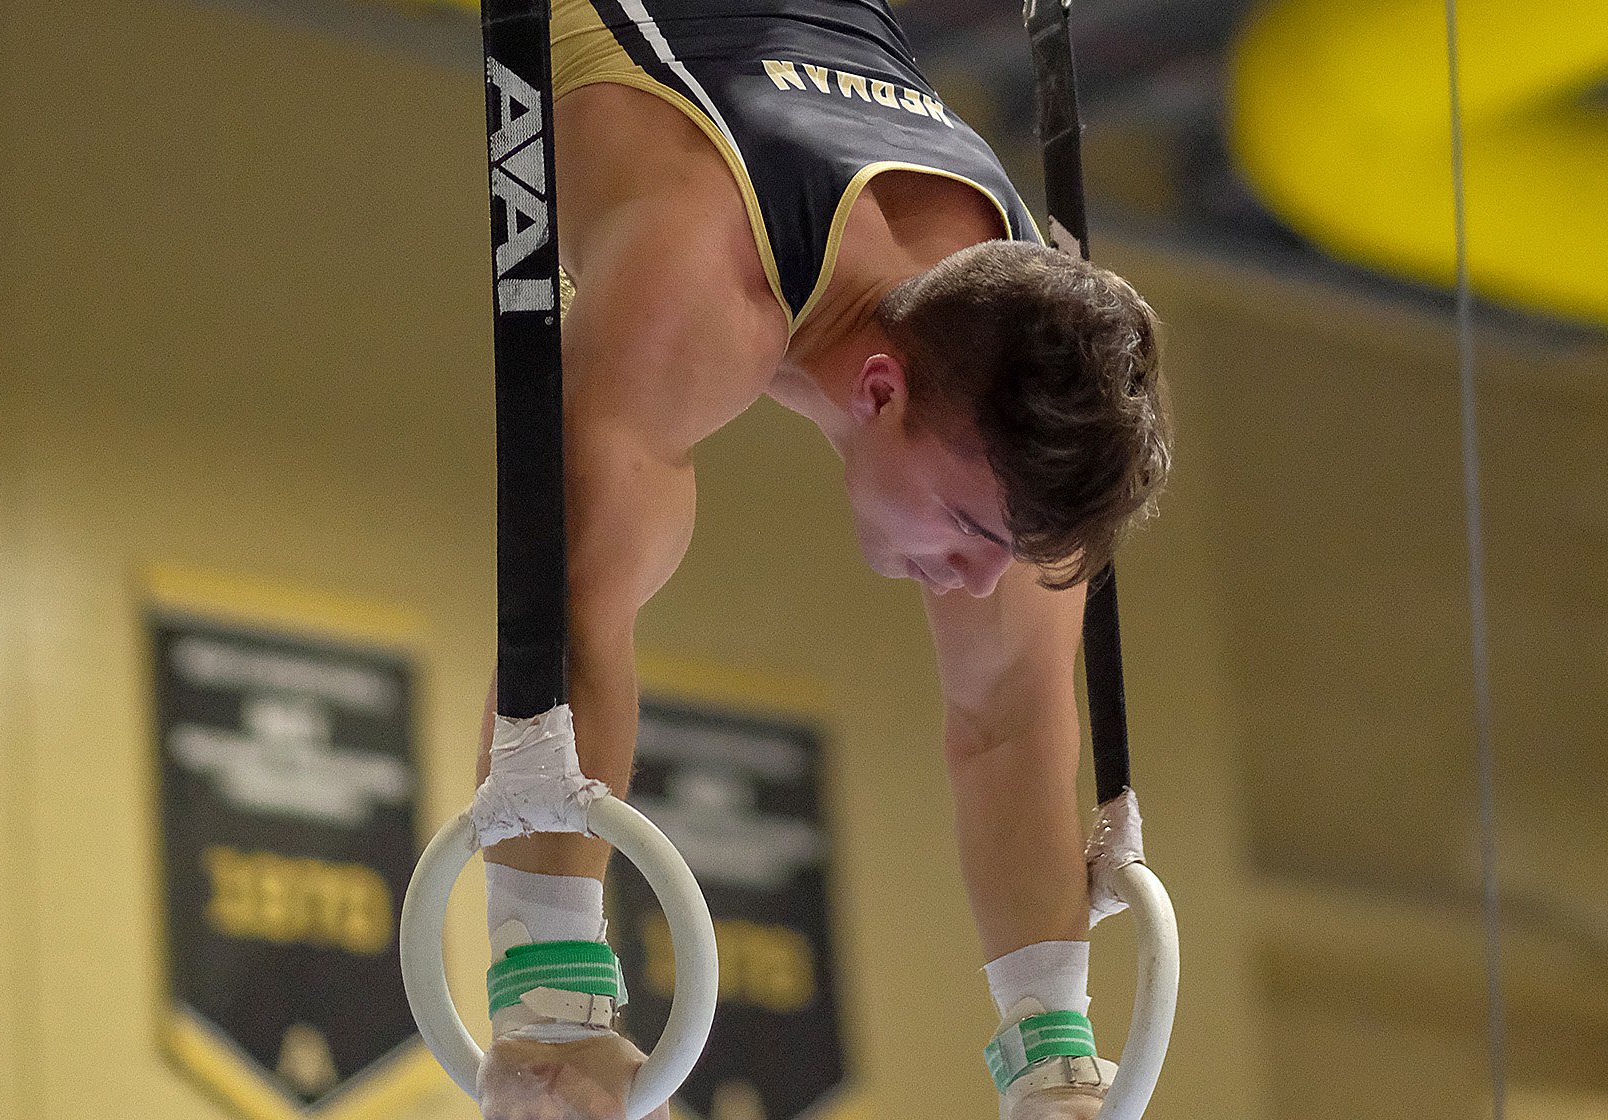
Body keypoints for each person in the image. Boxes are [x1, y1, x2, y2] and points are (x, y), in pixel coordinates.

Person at [472, 1, 1170, 1117]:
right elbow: (568, 627)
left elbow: (1007, 721)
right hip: (711, 96)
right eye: (968, 531)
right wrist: (551, 1012)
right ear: (880, 389)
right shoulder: (701, 280)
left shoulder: (1026, 377)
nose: (974, 578)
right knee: (580, 552)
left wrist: (1056, 1069)